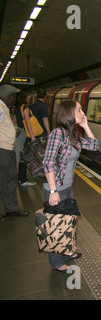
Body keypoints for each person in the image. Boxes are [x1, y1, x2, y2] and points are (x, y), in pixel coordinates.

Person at [42, 99, 99, 273]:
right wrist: (53, 191)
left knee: (69, 221)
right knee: (57, 226)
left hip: (67, 187)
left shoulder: (72, 134)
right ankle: (57, 263)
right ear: (68, 114)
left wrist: (86, 125)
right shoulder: (57, 134)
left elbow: (94, 145)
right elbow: (48, 163)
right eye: (79, 110)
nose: (83, 113)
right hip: (56, 188)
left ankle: (68, 250)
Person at [0, 85, 29, 222]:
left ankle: (11, 208)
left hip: (8, 148)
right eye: (14, 96)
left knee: (11, 179)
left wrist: (12, 130)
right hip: (2, 150)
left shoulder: (4, 108)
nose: (15, 99)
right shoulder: (0, 108)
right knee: (1, 180)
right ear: (9, 97)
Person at [13, 92, 36, 187]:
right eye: (26, 98)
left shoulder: (17, 108)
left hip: (20, 133)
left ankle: (20, 178)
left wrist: (16, 129)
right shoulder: (25, 108)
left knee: (22, 155)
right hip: (25, 135)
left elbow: (13, 121)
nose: (28, 99)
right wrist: (32, 135)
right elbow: (27, 122)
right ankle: (23, 179)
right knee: (25, 156)